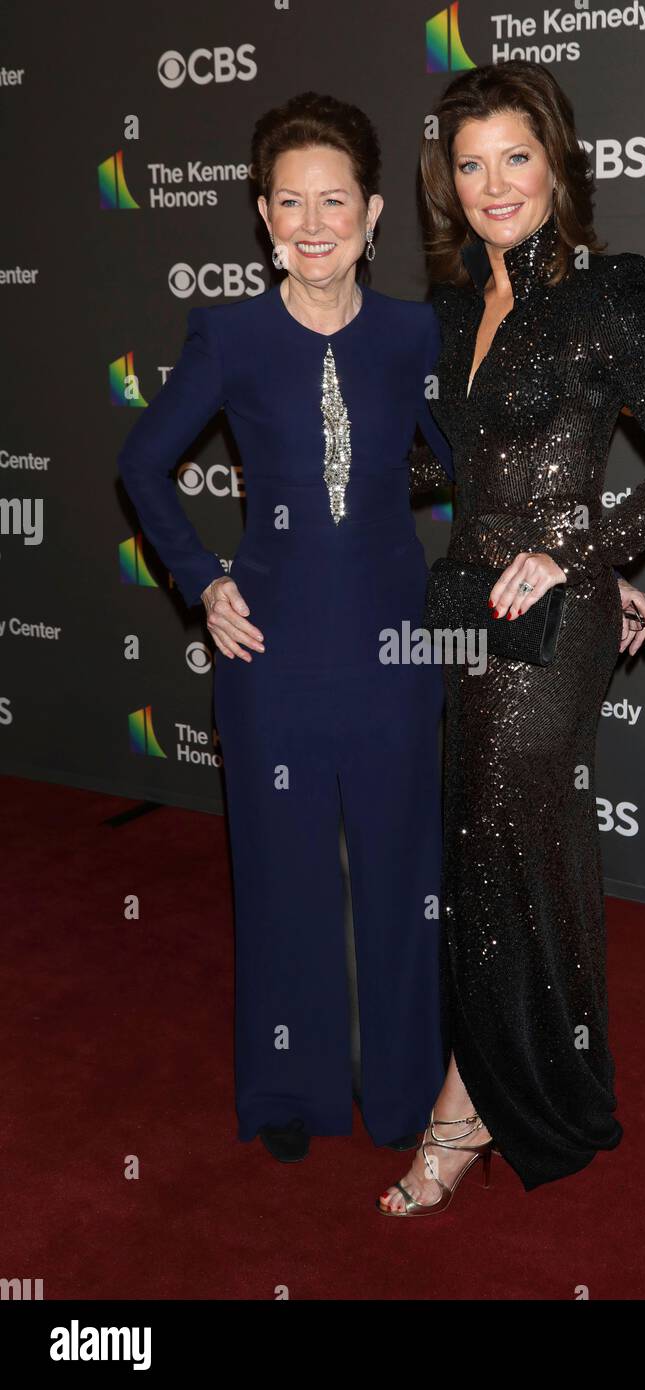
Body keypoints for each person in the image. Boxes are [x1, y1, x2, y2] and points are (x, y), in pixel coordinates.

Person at [377, 60, 645, 1214]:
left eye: (513, 158)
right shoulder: (442, 308)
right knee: (494, 846)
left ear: (556, 163)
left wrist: (584, 551)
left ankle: (467, 1107)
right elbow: (446, 464)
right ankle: (550, 1072)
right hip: (459, 604)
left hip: (551, 608)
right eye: (468, 165)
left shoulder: (604, 289)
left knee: (498, 846)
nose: (492, 184)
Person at [118, 92, 456, 1163]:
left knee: (405, 873)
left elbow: (478, 473)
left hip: (394, 649)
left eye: (335, 202)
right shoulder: (229, 333)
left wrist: (580, 564)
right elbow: (141, 463)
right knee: (280, 871)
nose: (313, 225)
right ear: (263, 216)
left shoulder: (414, 333)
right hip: (268, 655)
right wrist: (203, 582)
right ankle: (286, 1090)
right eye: (290, 203)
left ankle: (404, 1093)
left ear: (370, 215)